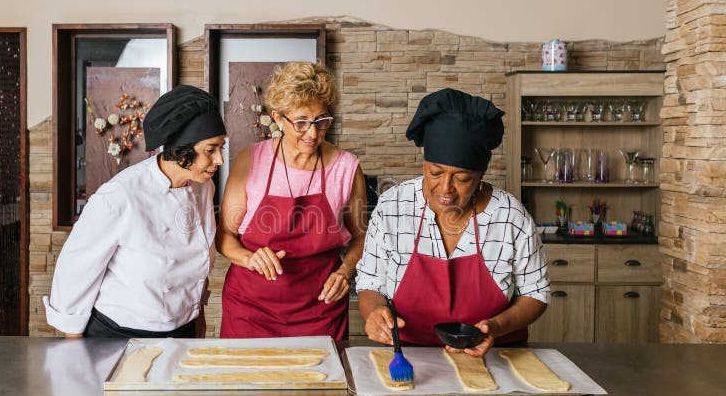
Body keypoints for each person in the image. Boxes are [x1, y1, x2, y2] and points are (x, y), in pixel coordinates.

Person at [356, 88, 549, 357]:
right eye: (435, 173)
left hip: (496, 357)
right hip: (408, 355)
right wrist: (374, 312)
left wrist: (495, 326)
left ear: (480, 175)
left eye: (462, 178)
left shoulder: (510, 216)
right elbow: (370, 284)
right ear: (424, 165)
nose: (445, 189)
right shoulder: (392, 207)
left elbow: (536, 293)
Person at [44, 85, 227, 338]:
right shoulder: (121, 195)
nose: (219, 160)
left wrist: (197, 319)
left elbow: (194, 265)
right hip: (119, 334)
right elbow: (76, 271)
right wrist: (75, 353)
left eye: (221, 148)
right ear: (182, 147)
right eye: (210, 150)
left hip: (181, 330)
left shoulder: (203, 188)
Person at [217, 61, 367, 340]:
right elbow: (225, 236)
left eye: (321, 121)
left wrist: (345, 272)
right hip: (251, 310)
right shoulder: (250, 161)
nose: (312, 133)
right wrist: (249, 258)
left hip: (320, 309)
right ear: (278, 118)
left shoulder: (347, 168)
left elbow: (361, 238)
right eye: (301, 122)